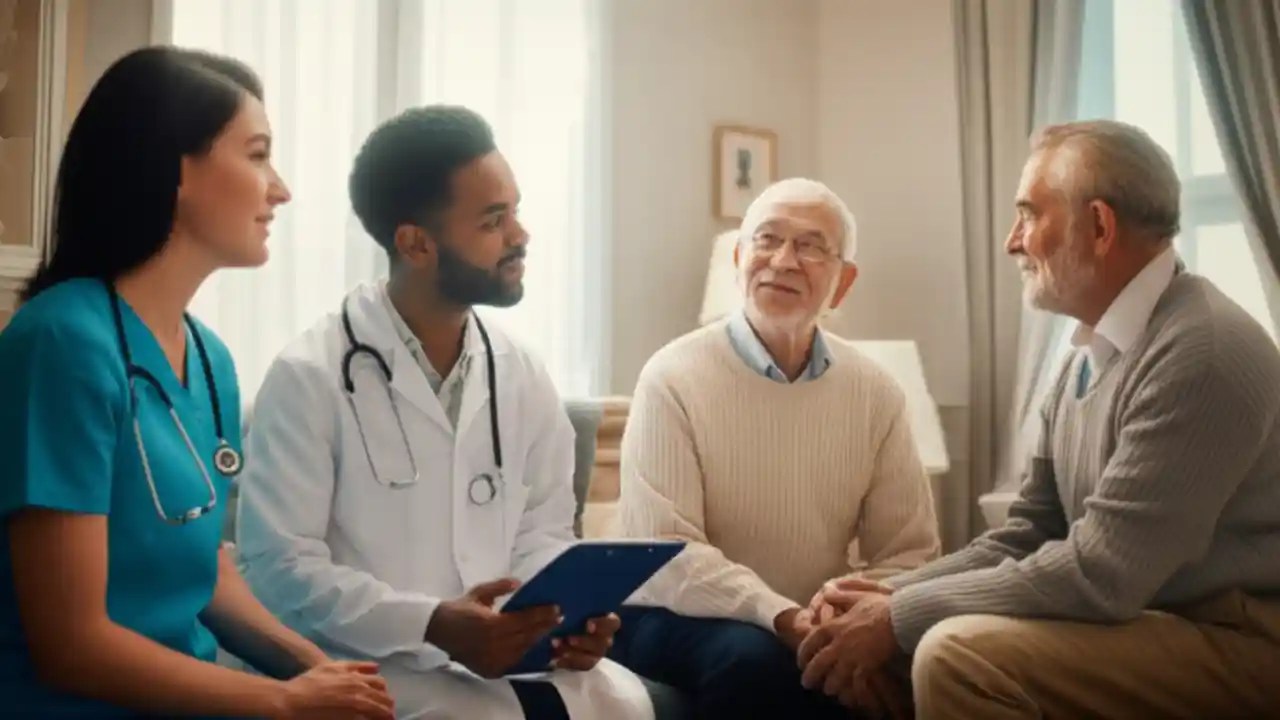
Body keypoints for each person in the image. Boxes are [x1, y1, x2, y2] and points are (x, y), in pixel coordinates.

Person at [797, 120, 1280, 719]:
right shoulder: (1087, 353)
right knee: (884, 640)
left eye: (1028, 215)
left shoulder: (1202, 353)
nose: (1012, 241)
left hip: (1241, 636)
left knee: (954, 654)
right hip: (1153, 617)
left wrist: (896, 617)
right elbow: (1030, 532)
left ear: (1099, 226)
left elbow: (1103, 573)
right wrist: (882, 596)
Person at [0, 47, 395, 719]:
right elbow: (71, 645)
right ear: (175, 171)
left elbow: (204, 572)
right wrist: (282, 701)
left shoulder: (211, 361)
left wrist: (325, 673)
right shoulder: (61, 343)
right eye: (258, 155)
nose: (280, 189)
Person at [234, 105, 653, 720]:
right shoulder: (309, 376)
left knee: (624, 703)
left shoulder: (521, 371)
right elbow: (279, 567)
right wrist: (430, 623)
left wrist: (562, 620)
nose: (520, 235)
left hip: (498, 659)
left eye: (515, 211)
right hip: (361, 659)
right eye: (493, 221)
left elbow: (543, 531)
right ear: (416, 244)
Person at [610, 177, 941, 718]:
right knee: (754, 661)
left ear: (843, 282)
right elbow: (667, 554)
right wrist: (784, 617)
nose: (784, 261)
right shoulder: (671, 376)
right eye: (767, 239)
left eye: (811, 246)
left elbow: (910, 553)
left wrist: (836, 621)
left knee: (902, 657)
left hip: (805, 615)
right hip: (673, 612)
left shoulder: (876, 391)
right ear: (739, 258)